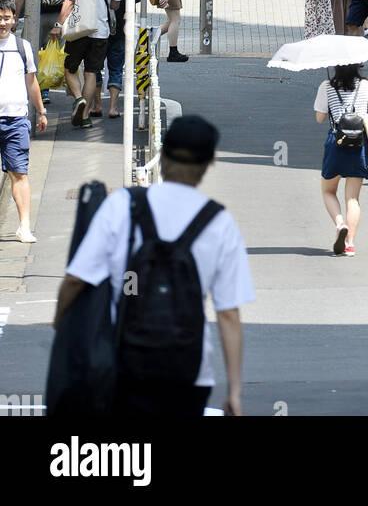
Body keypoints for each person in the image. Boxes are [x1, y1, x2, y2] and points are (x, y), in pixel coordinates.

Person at [53, 115, 255, 416]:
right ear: (209, 163)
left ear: (162, 154)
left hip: (124, 365)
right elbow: (228, 314)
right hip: (189, 374)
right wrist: (235, 391)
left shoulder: (122, 204)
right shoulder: (219, 223)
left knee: (130, 462)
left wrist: (60, 324)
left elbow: (75, 279)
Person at [314, 65, 368, 257]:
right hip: (358, 144)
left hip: (336, 142)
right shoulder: (367, 85)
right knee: (353, 198)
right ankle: (350, 244)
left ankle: (339, 223)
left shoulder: (327, 86)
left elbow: (319, 117)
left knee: (328, 190)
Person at [56, 0, 121, 129]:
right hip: (100, 32)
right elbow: (116, 4)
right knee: (92, 72)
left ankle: (78, 98)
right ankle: (84, 117)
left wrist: (58, 24)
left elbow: (69, 1)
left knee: (70, 68)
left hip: (79, 29)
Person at [0, 0, 47, 242]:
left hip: (16, 120)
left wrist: (41, 111)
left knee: (20, 173)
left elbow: (32, 82)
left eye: (7, 18)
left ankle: (24, 226)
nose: (3, 23)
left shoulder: (22, 46)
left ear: (14, 19)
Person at [92, 0, 139, 118]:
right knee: (116, 69)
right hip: (120, 32)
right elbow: (132, 8)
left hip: (97, 30)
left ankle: (97, 106)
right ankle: (112, 108)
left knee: (95, 67)